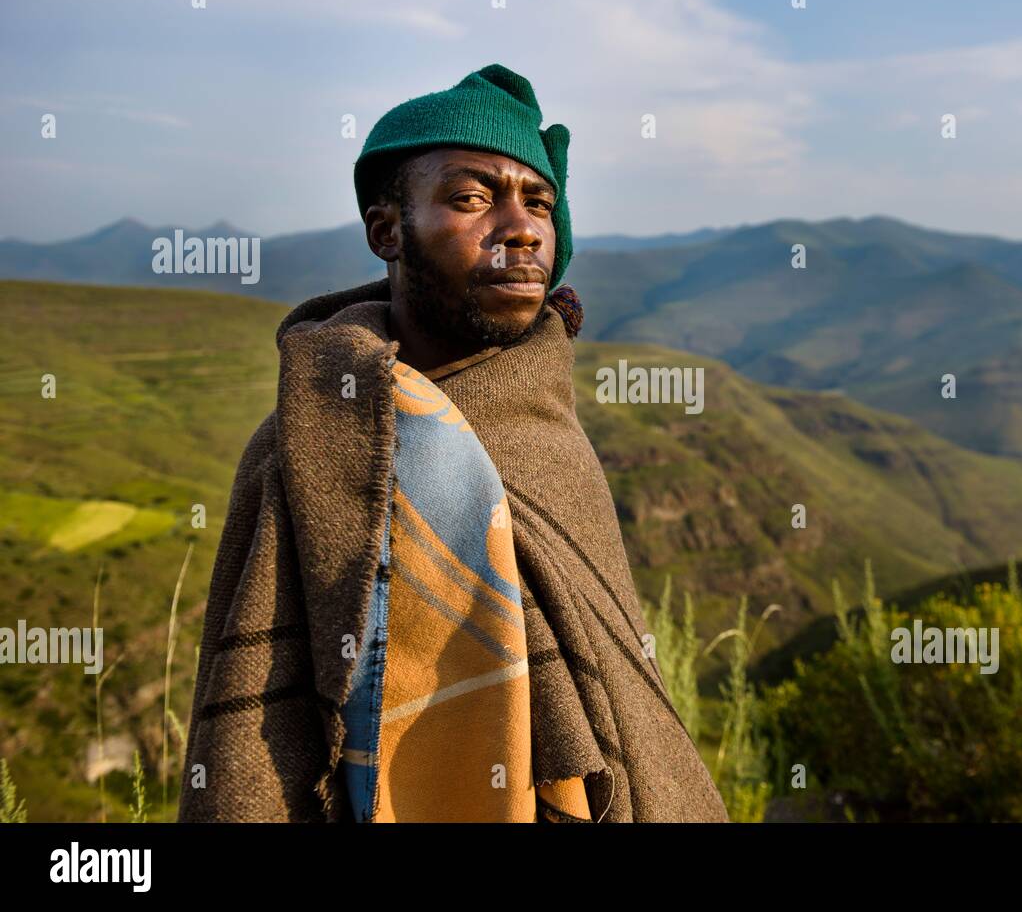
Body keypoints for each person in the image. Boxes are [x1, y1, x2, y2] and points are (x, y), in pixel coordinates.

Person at [178, 63, 730, 823]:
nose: (521, 227)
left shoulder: (547, 427)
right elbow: (259, 735)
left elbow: (623, 697)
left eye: (539, 203)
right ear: (387, 231)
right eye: (472, 198)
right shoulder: (310, 443)